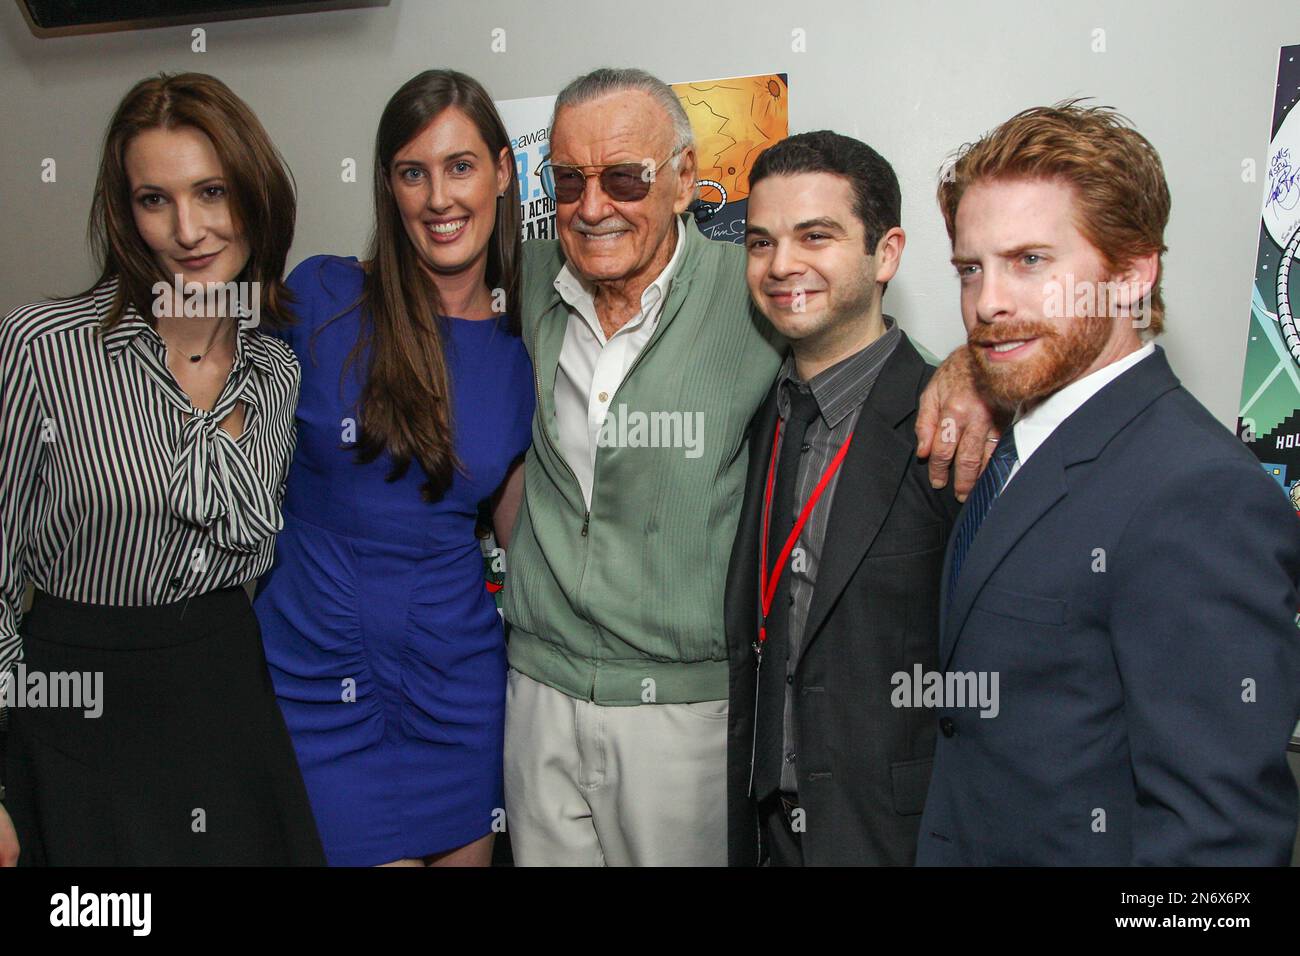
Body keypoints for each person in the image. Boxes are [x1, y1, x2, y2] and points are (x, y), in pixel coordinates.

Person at [502, 67, 993, 866]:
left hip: (687, 716)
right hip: (539, 693)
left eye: (624, 176)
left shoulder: (748, 299)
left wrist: (976, 374)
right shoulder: (529, 278)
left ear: (684, 180)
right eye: (568, 180)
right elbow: (424, 279)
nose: (593, 206)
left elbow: (867, 358)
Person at [916, 101, 1300, 865]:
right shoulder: (1016, 441)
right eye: (970, 267)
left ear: (1131, 274)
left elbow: (1220, 841)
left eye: (1031, 261)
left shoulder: (1198, 495)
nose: (988, 301)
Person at [0, 72, 323, 866]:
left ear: (255, 192)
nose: (189, 229)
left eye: (212, 191)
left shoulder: (278, 368)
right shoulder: (42, 348)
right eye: (155, 199)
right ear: (125, 212)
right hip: (77, 710)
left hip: (229, 700)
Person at [253, 70, 532, 867]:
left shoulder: (523, 349)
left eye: (461, 166)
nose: (439, 196)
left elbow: (526, 536)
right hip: (315, 681)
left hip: (456, 686)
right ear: (389, 187)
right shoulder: (323, 299)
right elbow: (213, 415)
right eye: (413, 172)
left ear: (503, 172)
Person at [726, 131, 961, 866]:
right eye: (760, 243)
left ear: (885, 253)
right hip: (762, 825)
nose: (782, 264)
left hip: (886, 834)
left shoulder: (951, 427)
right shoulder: (755, 409)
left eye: (815, 236)